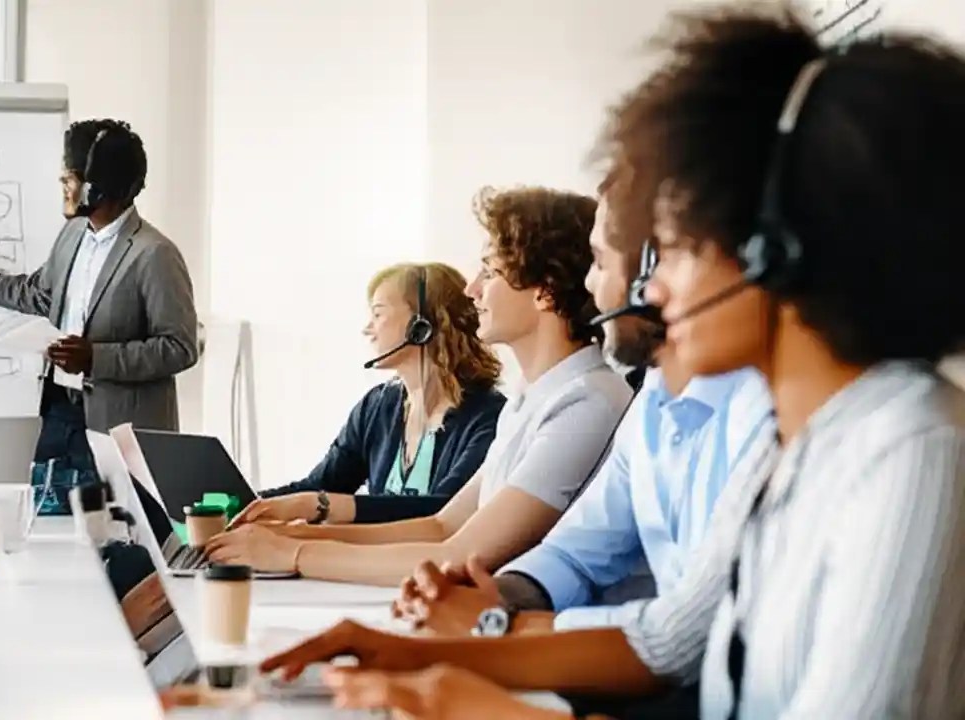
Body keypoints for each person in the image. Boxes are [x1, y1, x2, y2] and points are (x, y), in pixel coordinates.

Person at [258, 7, 965, 719]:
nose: (651, 291)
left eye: (679, 251)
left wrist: (482, 706)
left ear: (773, 255)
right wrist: (411, 655)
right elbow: (663, 641)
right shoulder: (791, 447)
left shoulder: (911, 447)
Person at [397, 175, 776, 643]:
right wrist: (493, 596)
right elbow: (572, 554)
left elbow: (683, 638)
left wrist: (502, 623)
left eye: (599, 262)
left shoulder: (755, 416)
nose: (589, 285)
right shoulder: (651, 401)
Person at [207, 186, 634, 586]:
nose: (472, 289)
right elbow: (441, 526)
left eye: (490, 271)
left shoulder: (586, 402)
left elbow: (460, 555)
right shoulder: (530, 398)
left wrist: (294, 553)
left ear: (545, 291)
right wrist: (294, 534)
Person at [0, 119, 199, 507]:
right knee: (47, 528)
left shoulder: (155, 254)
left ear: (97, 187)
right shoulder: (73, 235)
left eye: (69, 178)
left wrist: (95, 358)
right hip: (60, 414)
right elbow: (40, 294)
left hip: (117, 432)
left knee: (113, 538)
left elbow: (180, 347)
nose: (63, 185)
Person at [233, 261, 506, 527]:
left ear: (422, 324)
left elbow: (446, 514)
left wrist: (322, 505)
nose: (368, 329)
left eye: (378, 314)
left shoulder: (490, 417)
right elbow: (323, 484)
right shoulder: (378, 406)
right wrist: (244, 503)